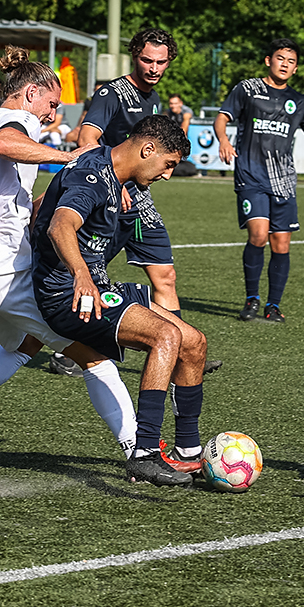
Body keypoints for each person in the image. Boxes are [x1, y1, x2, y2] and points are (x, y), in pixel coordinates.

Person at [0, 45, 136, 466]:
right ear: (30, 93)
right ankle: (140, 450)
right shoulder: (14, 120)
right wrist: (67, 157)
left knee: (24, 344)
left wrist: (10, 202)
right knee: (94, 358)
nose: (52, 115)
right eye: (51, 104)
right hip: (5, 272)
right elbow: (6, 143)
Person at [32, 114, 207, 486]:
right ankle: (143, 455)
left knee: (194, 343)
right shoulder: (93, 175)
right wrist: (80, 275)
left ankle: (189, 453)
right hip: (68, 295)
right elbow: (59, 224)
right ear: (147, 149)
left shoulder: (117, 178)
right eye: (168, 164)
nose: (168, 174)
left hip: (97, 285)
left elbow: (40, 207)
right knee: (166, 337)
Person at [62, 28, 223, 377]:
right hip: (106, 198)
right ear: (134, 56)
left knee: (165, 275)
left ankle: (182, 349)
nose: (153, 67)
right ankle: (66, 349)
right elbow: (87, 138)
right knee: (85, 274)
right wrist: (111, 178)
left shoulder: (153, 97)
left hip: (139, 202)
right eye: (146, 59)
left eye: (160, 61)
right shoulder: (112, 93)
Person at [214, 38, 304, 323]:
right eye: (281, 58)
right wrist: (223, 139)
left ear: (296, 69)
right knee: (258, 235)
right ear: (268, 60)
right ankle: (251, 299)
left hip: (283, 180)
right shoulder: (248, 89)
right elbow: (222, 118)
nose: (285, 64)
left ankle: (273, 305)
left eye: (291, 61)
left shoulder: (300, 102)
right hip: (251, 175)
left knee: (281, 243)